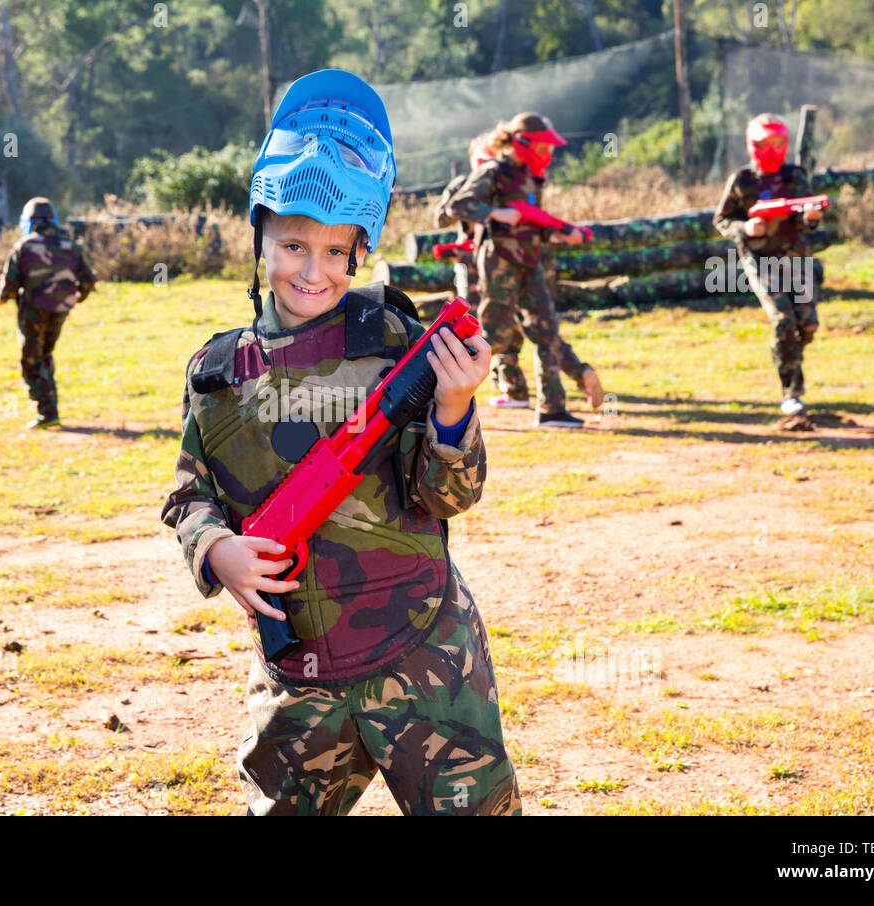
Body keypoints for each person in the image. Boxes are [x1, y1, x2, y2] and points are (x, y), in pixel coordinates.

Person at [161, 69, 521, 816]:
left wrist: (453, 405)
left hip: (425, 653)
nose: (311, 271)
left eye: (334, 252)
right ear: (258, 231)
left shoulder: (396, 342)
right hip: (295, 679)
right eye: (293, 244)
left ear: (360, 252)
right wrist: (216, 552)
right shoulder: (218, 371)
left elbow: (447, 493)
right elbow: (189, 496)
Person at [444, 113, 604, 427]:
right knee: (495, 337)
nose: (548, 155)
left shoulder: (531, 177)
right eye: (544, 148)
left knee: (546, 331)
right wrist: (496, 212)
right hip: (499, 262)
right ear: (524, 143)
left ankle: (552, 411)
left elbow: (531, 221)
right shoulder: (494, 171)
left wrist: (554, 233)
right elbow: (458, 206)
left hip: (530, 262)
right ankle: (441, 394)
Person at [713, 114, 825, 417]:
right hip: (760, 262)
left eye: (777, 143)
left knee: (808, 324)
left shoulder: (795, 176)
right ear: (752, 145)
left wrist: (811, 218)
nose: (772, 149)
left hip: (796, 261)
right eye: (765, 144)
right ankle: (791, 392)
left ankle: (785, 352)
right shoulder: (742, 180)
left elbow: (807, 216)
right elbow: (722, 219)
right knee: (782, 320)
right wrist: (746, 229)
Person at [0, 196, 95, 429]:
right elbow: (89, 280)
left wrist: (0, 298)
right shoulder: (71, 246)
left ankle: (46, 413)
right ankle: (50, 410)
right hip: (60, 310)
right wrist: (76, 298)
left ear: (28, 221)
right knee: (45, 354)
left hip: (32, 311)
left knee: (31, 360)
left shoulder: (24, 246)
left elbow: (9, 286)